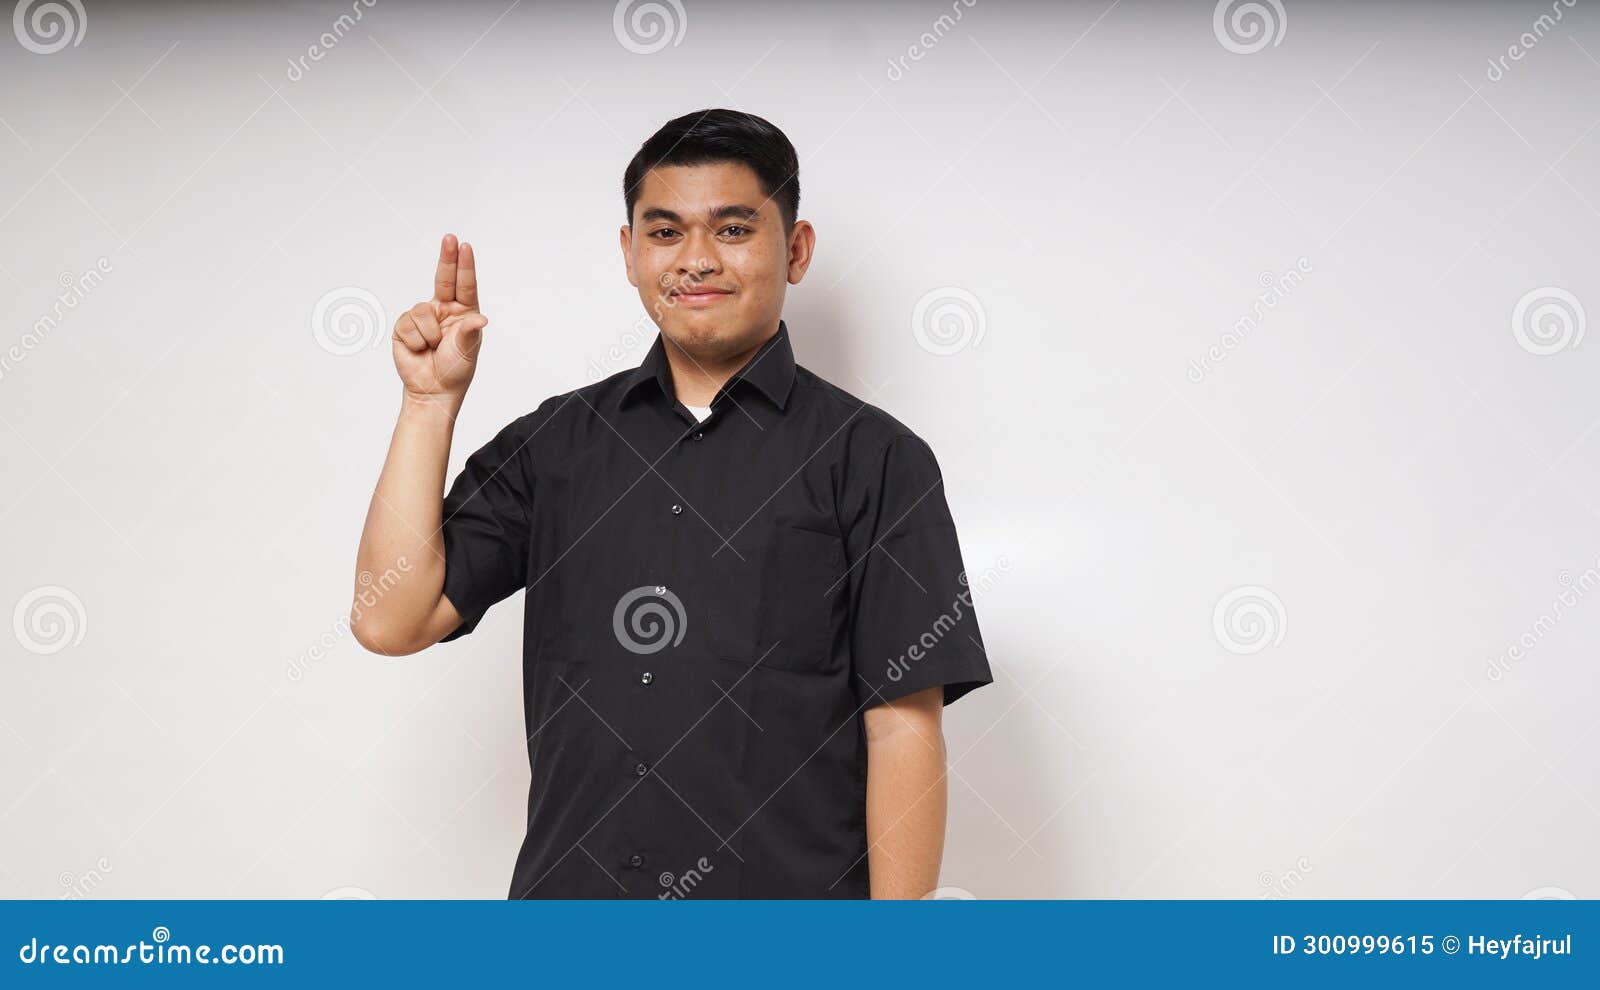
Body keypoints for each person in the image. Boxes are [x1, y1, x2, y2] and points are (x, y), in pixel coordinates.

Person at [351, 108, 993, 899]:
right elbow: (391, 620)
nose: (695, 261)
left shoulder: (877, 459)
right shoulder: (554, 445)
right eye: (664, 233)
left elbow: (902, 726)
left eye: (731, 231)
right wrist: (428, 403)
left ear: (794, 250)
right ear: (629, 254)